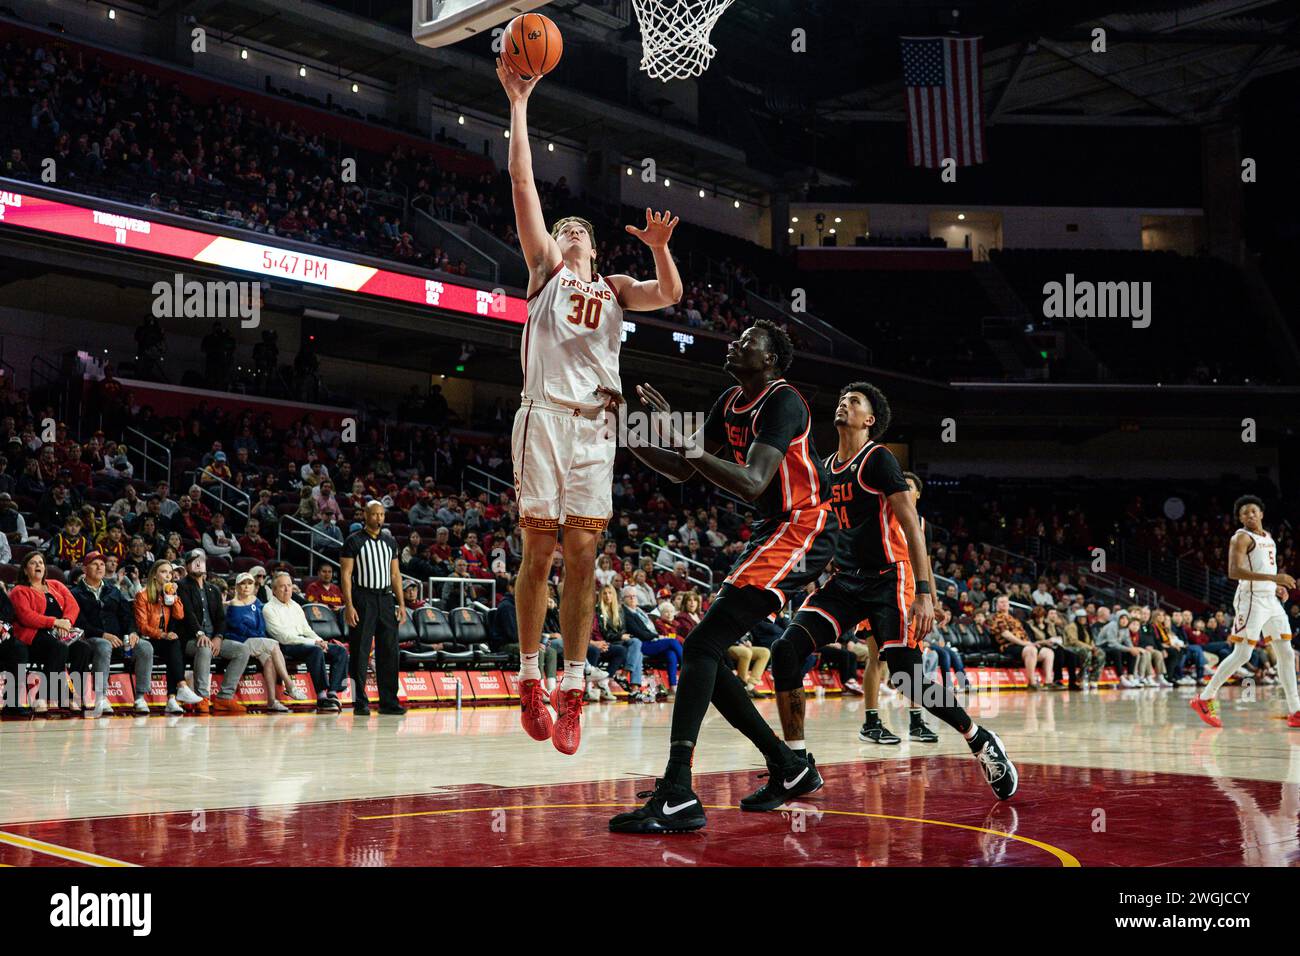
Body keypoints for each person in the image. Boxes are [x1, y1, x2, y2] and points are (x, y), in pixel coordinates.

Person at [499, 55, 684, 757]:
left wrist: (662, 252)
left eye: (580, 228)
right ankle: (527, 678)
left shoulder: (612, 286)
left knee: (583, 557)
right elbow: (522, 184)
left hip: (597, 428)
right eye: (564, 226)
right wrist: (520, 104)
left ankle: (573, 686)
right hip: (545, 416)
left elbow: (668, 295)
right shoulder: (545, 270)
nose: (570, 230)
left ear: (597, 246)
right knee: (538, 551)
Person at [610, 321, 836, 834]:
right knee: (704, 652)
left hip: (804, 525)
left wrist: (677, 437)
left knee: (701, 648)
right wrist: (625, 427)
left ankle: (679, 791)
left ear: (772, 358)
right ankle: (788, 765)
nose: (736, 341)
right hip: (772, 530)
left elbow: (754, 481)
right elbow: (684, 470)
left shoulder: (784, 402)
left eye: (749, 338)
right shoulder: (730, 400)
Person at [766, 382, 1014, 806]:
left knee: (906, 676)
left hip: (889, 578)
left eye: (855, 401)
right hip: (845, 581)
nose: (845, 402)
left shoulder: (878, 459)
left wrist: (924, 591)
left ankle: (979, 737)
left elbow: (911, 524)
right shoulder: (825, 467)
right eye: (842, 398)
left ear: (870, 420)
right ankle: (796, 763)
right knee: (786, 650)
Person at [1192, 495, 1298, 728]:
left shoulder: (1268, 537)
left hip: (1270, 599)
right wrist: (1274, 578)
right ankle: (1204, 697)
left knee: (1286, 652)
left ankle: (1295, 710)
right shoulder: (1241, 537)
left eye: (1253, 511)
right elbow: (1234, 571)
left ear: (1261, 513)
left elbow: (1263, 568)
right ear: (1240, 518)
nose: (1249, 515)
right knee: (1243, 654)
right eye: (1244, 513)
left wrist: (1275, 586)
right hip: (1250, 600)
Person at [340, 501, 407, 716]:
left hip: (386, 599)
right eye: (375, 514)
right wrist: (349, 605)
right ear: (366, 515)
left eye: (381, 514)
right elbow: (346, 575)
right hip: (363, 598)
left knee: (389, 651)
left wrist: (402, 603)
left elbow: (396, 575)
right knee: (360, 650)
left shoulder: (390, 541)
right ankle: (360, 701)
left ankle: (389, 701)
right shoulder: (353, 541)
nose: (378, 518)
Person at [70, 551, 153, 717]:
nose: (100, 566)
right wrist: (103, 634)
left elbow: (127, 615)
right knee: (104, 645)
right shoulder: (75, 593)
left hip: (119, 640)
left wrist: (132, 632)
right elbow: (79, 623)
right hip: (92, 639)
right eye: (95, 564)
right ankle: (101, 697)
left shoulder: (113, 590)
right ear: (85, 568)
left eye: (102, 564)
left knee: (145, 647)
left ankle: (140, 697)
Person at [175, 550, 251, 715]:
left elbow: (221, 619)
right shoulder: (181, 586)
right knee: (204, 647)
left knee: (242, 650)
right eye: (193, 561)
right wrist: (200, 634)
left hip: (213, 638)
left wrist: (218, 637)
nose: (197, 563)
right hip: (190, 639)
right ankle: (201, 697)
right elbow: (188, 614)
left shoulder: (214, 589)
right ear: (187, 566)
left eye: (200, 560)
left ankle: (225, 696)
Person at [263, 572, 348, 712]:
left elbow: (306, 629)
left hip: (304, 642)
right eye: (282, 586)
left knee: (340, 651)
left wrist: (320, 640)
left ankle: (332, 693)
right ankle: (321, 697)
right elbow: (284, 637)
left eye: (289, 585)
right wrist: (313, 643)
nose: (287, 589)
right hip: (286, 646)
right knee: (315, 651)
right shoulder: (268, 609)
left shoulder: (296, 606)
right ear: (274, 590)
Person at [8, 552, 81, 715]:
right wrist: (55, 622)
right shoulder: (19, 590)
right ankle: (43, 696)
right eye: (33, 563)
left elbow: (73, 605)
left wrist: (67, 622)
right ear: (25, 570)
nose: (38, 565)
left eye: (40, 562)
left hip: (60, 632)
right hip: (32, 635)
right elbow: (26, 617)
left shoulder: (56, 584)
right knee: (59, 648)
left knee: (83, 648)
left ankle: (70, 693)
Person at [224, 572, 305, 713]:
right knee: (273, 644)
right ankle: (290, 685)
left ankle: (272, 701)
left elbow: (262, 624)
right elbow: (240, 628)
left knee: (269, 660)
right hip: (240, 642)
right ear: (237, 587)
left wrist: (260, 636)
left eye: (250, 583)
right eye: (243, 583)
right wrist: (259, 637)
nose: (246, 586)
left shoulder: (256, 602)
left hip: (257, 641)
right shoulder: (233, 605)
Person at [133, 559, 204, 715]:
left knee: (175, 643)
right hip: (147, 639)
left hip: (164, 639)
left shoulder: (169, 593)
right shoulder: (142, 595)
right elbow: (142, 626)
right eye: (164, 572)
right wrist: (163, 634)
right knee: (172, 643)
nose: (168, 576)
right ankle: (180, 689)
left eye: (170, 573)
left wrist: (174, 597)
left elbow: (179, 616)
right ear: (154, 576)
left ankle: (173, 697)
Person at [989, 594, 1054, 691]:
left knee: (1048, 652)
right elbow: (1006, 635)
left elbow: (1024, 636)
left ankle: (1048, 681)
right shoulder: (997, 618)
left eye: (1006, 602)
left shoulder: (1014, 619)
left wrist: (1032, 643)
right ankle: (1031, 683)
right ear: (997, 605)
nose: (1004, 604)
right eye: (1001, 602)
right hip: (1008, 646)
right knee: (1031, 650)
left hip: (1023, 646)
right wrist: (1025, 644)